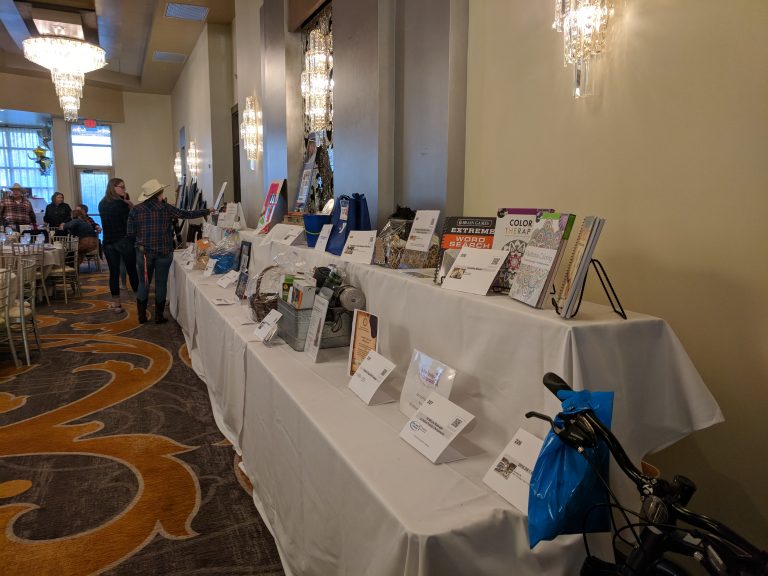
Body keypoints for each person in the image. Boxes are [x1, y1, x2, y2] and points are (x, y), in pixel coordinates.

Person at [127, 179, 211, 324]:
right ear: (159, 194)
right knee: (161, 282)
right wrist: (207, 211)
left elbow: (130, 233)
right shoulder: (166, 208)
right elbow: (186, 214)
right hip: (164, 251)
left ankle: (141, 316)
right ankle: (159, 316)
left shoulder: (135, 210)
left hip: (144, 253)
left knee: (143, 283)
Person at [99, 178, 139, 313]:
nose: (124, 189)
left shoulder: (102, 203)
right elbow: (131, 223)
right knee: (132, 270)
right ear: (113, 187)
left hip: (108, 242)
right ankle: (139, 301)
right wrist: (131, 207)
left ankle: (117, 305)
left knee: (114, 273)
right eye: (122, 187)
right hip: (123, 241)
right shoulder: (122, 205)